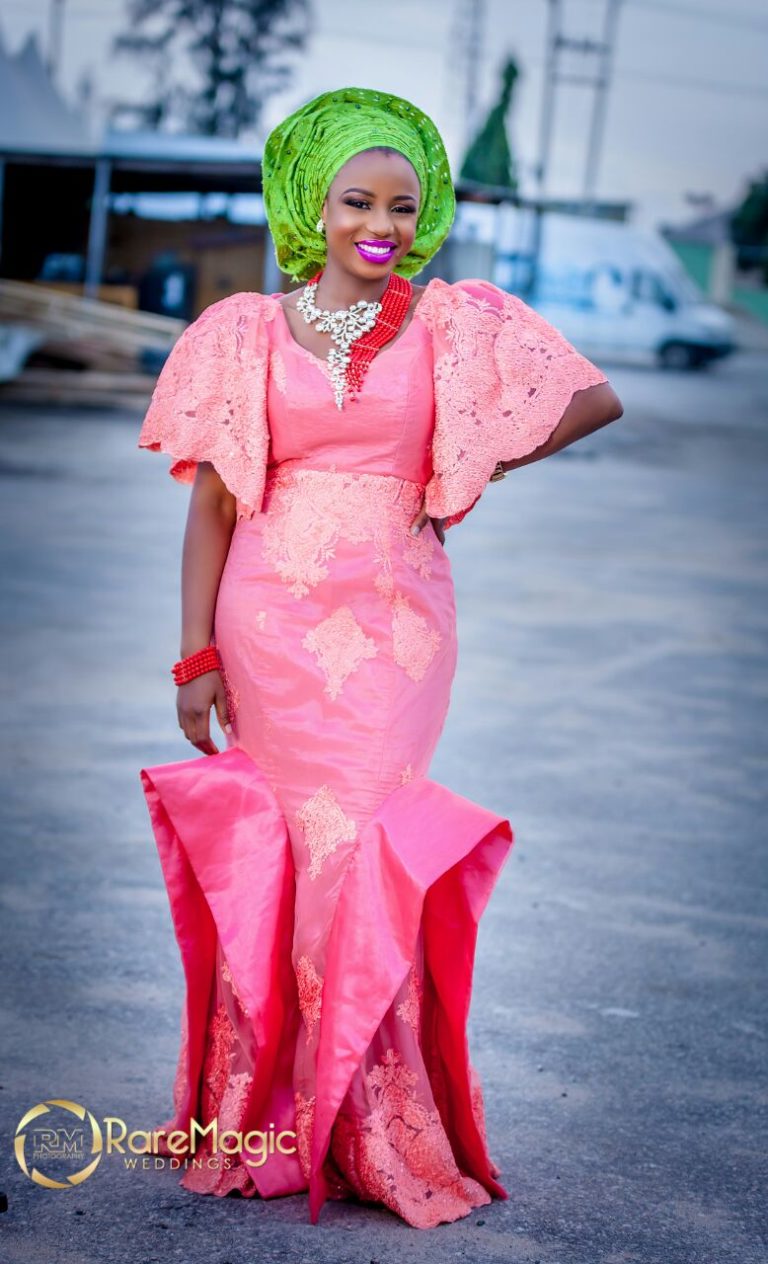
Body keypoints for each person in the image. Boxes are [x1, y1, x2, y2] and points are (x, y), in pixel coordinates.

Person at [136, 86, 623, 1231]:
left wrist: (478, 460)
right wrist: (194, 653)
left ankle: (371, 1114)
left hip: (399, 629)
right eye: (358, 199)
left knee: (364, 845)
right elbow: (211, 504)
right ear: (314, 203)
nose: (382, 224)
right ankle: (273, 1105)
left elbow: (593, 399)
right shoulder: (247, 330)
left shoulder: (456, 326)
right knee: (296, 847)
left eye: (404, 206)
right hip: (268, 625)